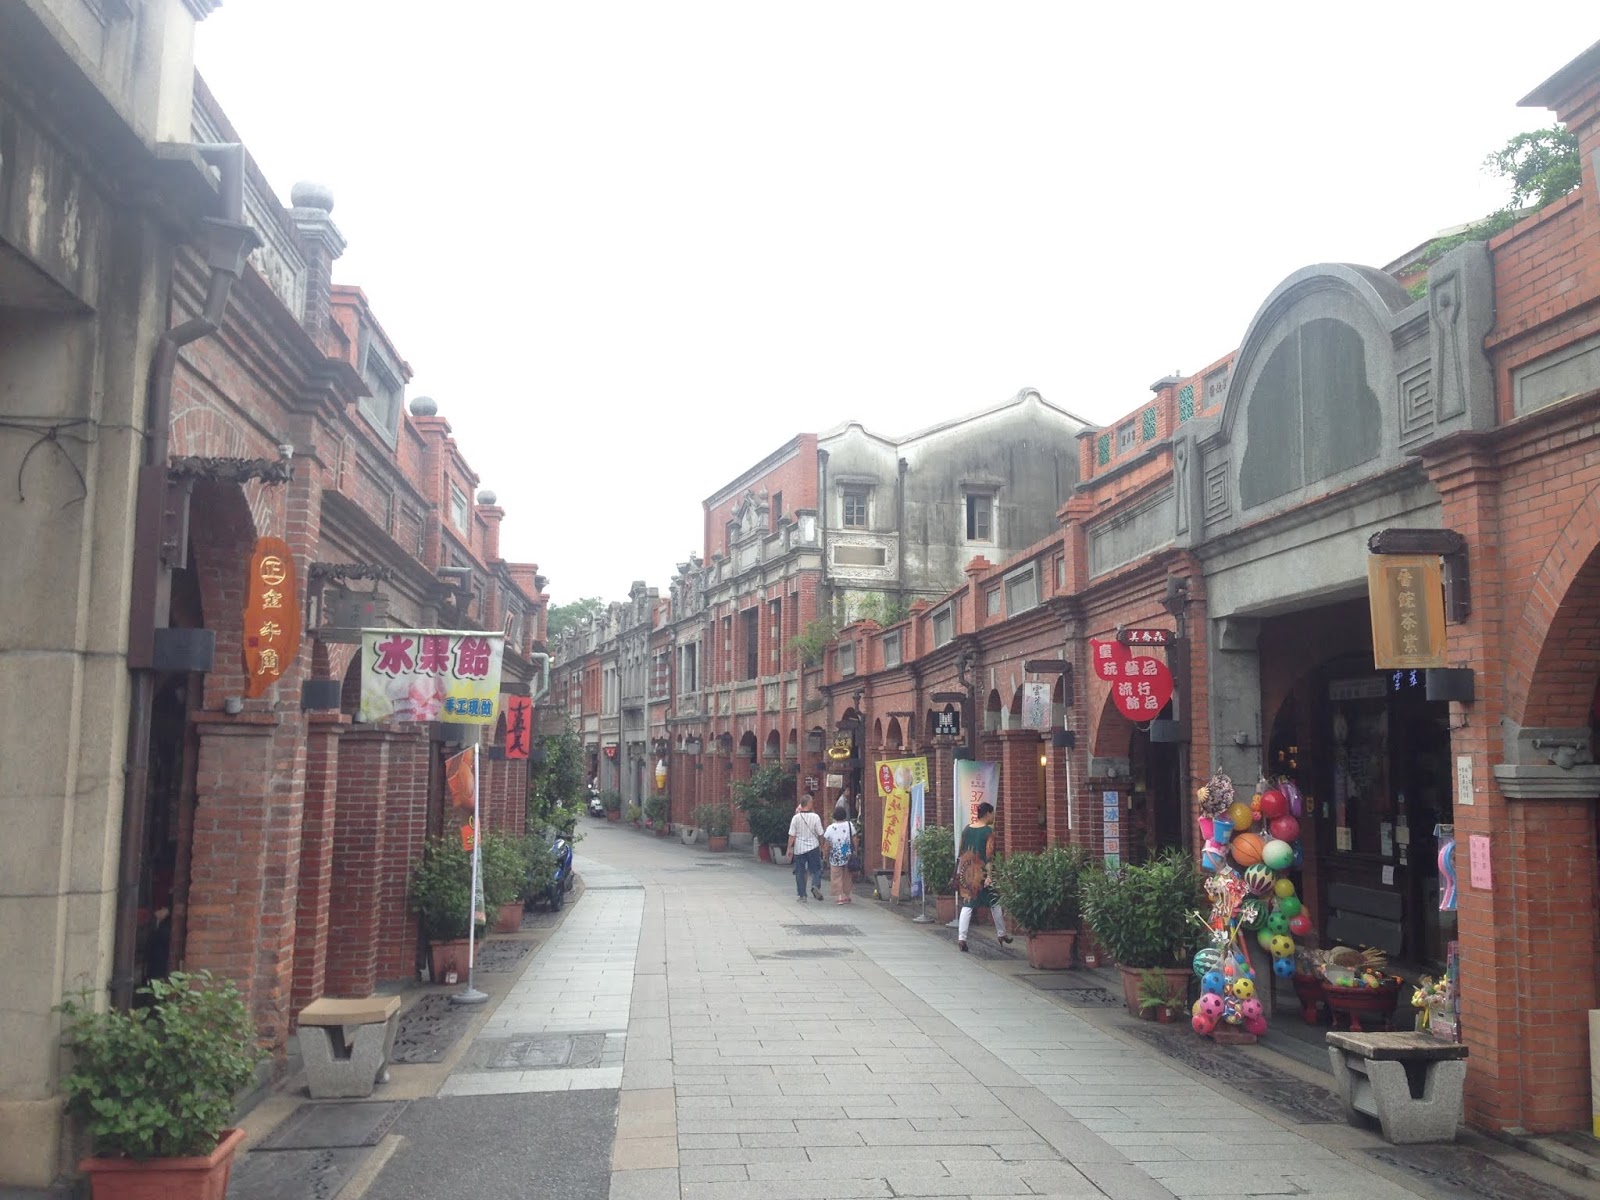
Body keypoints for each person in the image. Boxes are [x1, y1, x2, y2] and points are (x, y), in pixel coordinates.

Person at [955, 801, 1012, 951]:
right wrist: (989, 875)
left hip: (967, 873)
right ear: (987, 814)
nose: (993, 816)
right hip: (981, 873)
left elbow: (961, 851)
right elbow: (989, 855)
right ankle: (1001, 933)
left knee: (967, 904)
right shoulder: (988, 832)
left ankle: (962, 938)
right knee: (995, 901)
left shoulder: (966, 830)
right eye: (992, 813)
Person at [787, 794, 825, 902]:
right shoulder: (815, 817)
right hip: (813, 847)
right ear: (809, 804)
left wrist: (789, 848)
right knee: (816, 869)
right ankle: (815, 886)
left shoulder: (796, 818)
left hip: (799, 848)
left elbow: (792, 835)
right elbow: (820, 833)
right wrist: (822, 846)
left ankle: (802, 895)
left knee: (800, 872)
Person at [823, 804, 854, 904]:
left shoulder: (830, 828)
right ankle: (846, 895)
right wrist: (855, 850)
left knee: (836, 875)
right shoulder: (850, 825)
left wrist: (825, 854)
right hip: (847, 854)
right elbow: (855, 839)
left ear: (834, 816)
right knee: (847, 875)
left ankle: (840, 896)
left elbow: (827, 843)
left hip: (835, 855)